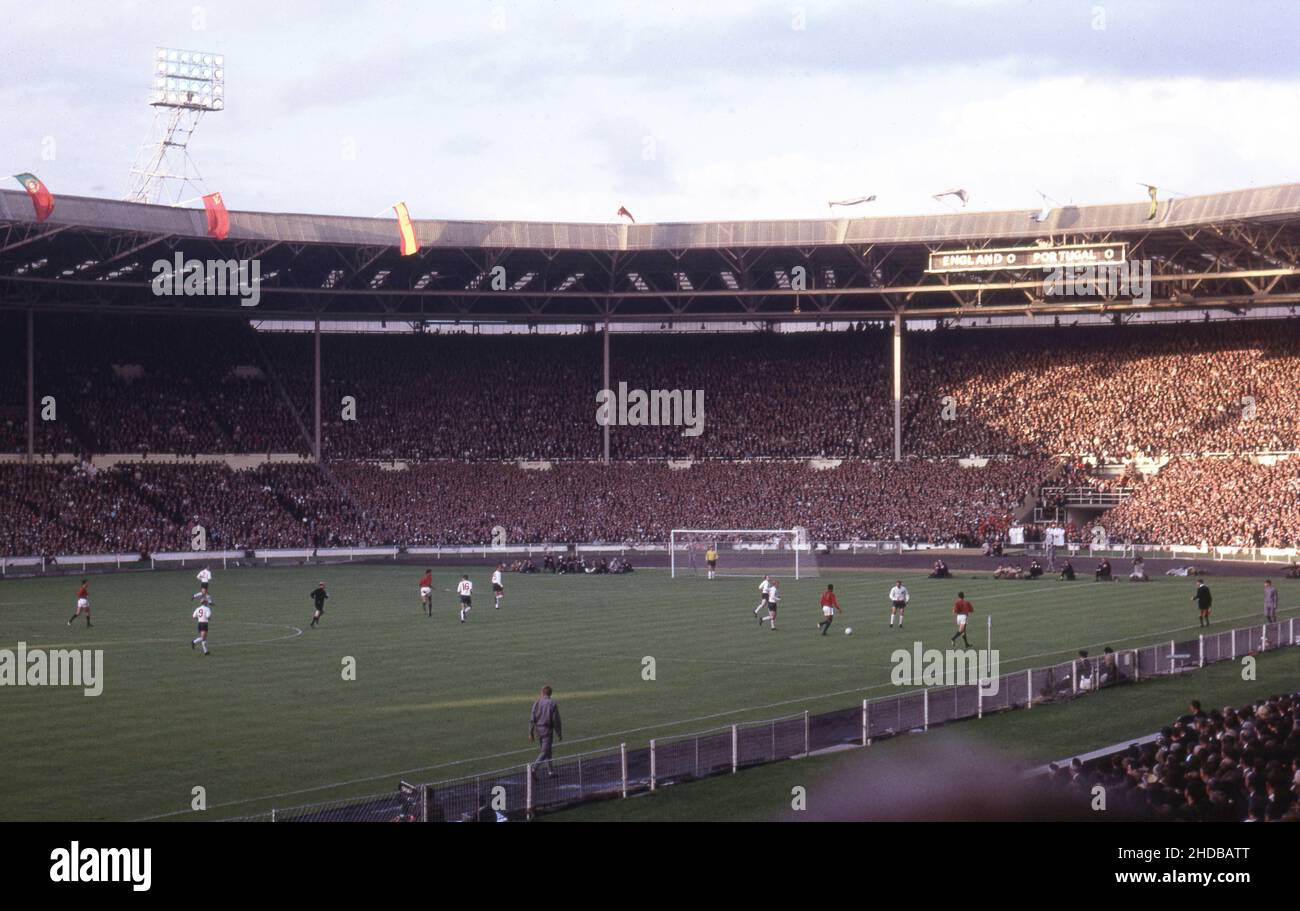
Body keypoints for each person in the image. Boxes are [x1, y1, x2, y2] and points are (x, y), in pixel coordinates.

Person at [528, 685, 563, 778]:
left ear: (542, 692)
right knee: (544, 751)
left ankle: (550, 771)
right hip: (547, 730)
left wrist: (530, 732)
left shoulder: (537, 702)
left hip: (538, 730)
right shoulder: (552, 703)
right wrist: (559, 733)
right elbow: (556, 720)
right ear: (550, 693)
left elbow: (532, 718)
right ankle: (533, 769)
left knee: (548, 751)